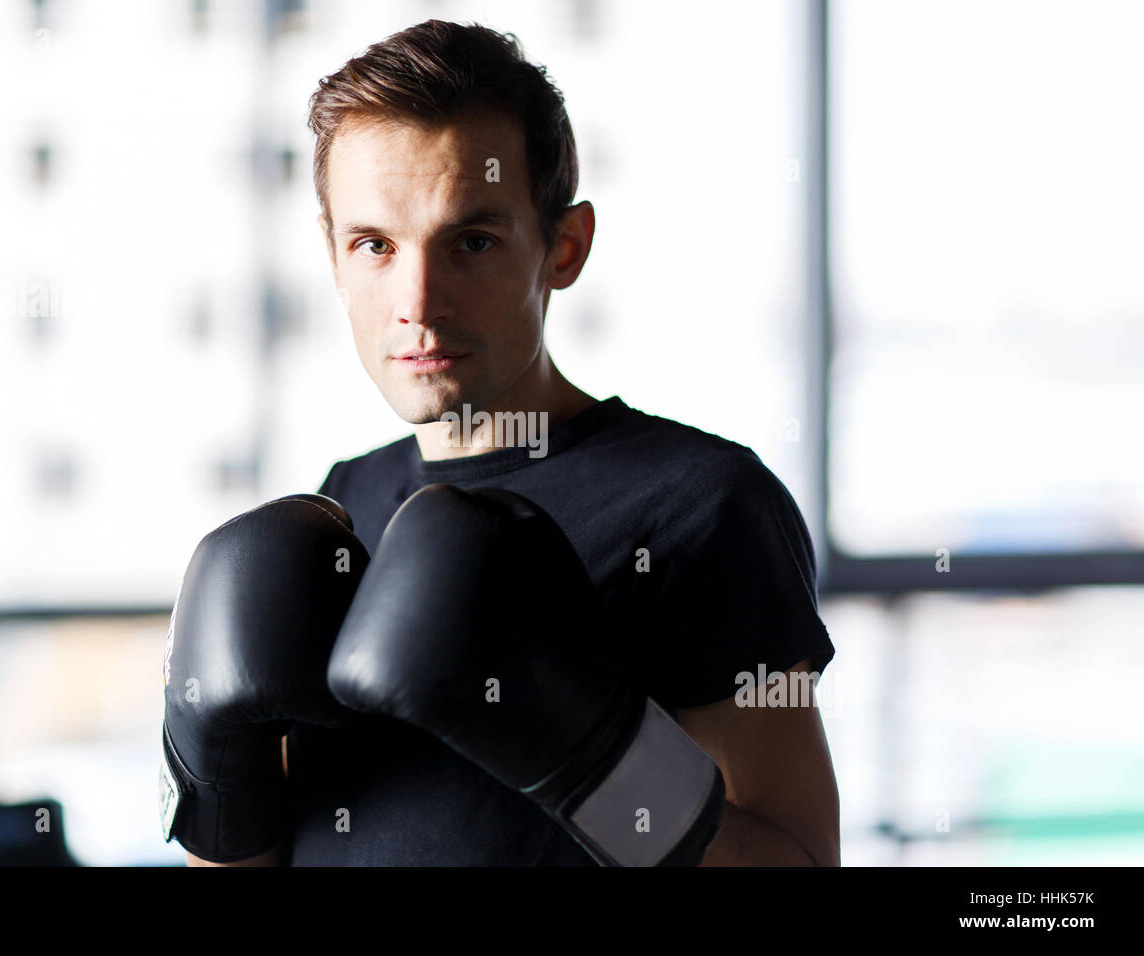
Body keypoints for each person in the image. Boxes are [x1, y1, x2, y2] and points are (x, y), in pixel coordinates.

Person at [160, 19, 838, 867]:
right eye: (375, 246)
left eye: (472, 242)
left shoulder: (703, 507)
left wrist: (603, 759)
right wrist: (215, 774)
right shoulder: (337, 512)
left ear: (564, 248)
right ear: (333, 258)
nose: (418, 301)